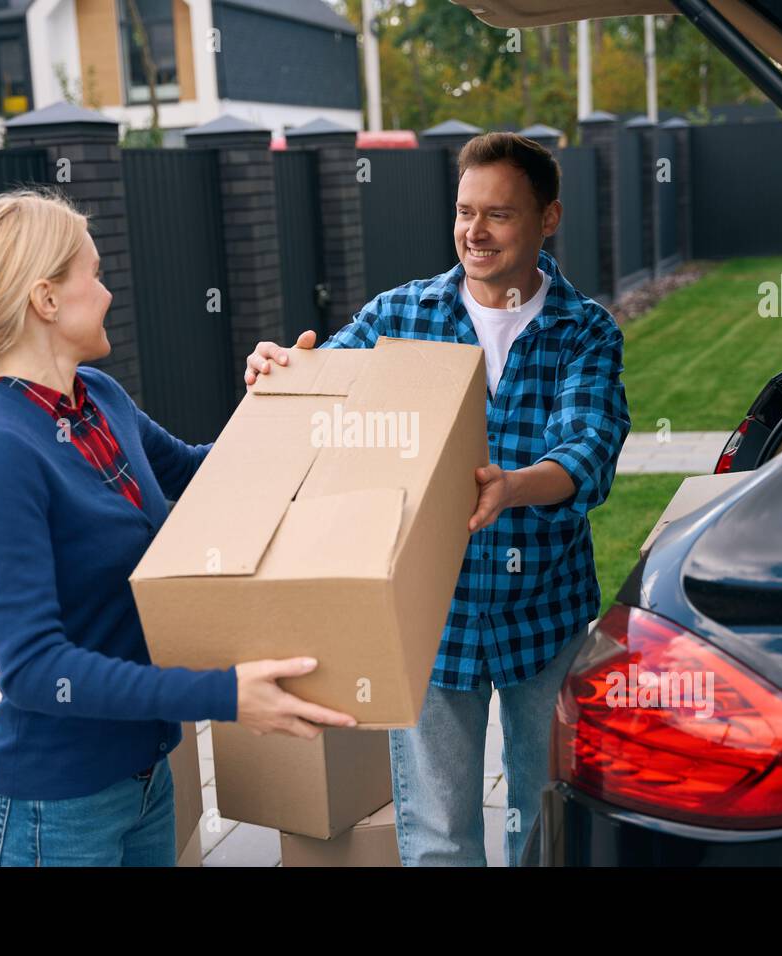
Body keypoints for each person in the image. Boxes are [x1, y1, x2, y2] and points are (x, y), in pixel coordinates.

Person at [0, 189, 356, 867]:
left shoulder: (100, 400)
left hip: (143, 783)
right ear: (47, 300)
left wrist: (282, 396)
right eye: (93, 274)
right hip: (52, 816)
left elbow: (210, 473)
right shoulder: (0, 450)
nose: (109, 292)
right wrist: (222, 694)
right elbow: (33, 670)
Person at [246, 133, 631, 866]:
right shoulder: (402, 316)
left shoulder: (583, 332)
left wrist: (512, 486)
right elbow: (324, 383)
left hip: (543, 615)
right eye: (463, 212)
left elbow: (587, 451)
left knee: (543, 824)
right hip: (433, 619)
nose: (474, 232)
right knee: (437, 836)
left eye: (498, 215)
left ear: (548, 218)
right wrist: (284, 367)